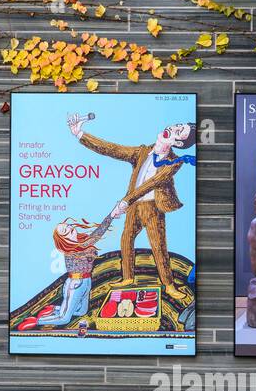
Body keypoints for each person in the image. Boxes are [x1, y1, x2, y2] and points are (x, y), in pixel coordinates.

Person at [67, 113, 196, 302]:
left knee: (158, 246)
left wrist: (125, 200)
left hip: (153, 207)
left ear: (177, 143)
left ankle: (169, 285)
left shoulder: (173, 163)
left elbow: (151, 183)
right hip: (134, 206)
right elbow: (112, 149)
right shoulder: (142, 152)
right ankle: (127, 277)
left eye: (179, 131)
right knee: (126, 238)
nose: (173, 128)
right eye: (177, 125)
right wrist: (80, 134)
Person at [17, 200, 128, 330]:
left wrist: (112, 215)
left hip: (86, 281)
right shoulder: (70, 250)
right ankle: (37, 320)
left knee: (82, 312)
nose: (69, 228)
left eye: (67, 226)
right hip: (74, 285)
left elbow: (97, 234)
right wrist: (112, 215)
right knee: (64, 319)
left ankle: (56, 308)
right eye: (65, 230)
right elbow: (96, 237)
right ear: (63, 240)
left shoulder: (83, 243)